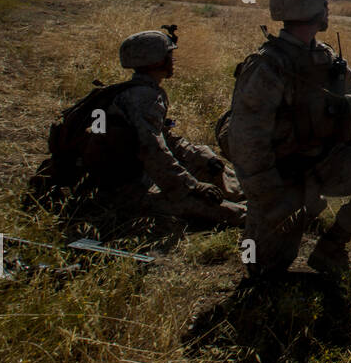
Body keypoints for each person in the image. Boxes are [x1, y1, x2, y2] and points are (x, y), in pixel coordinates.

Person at [226, 0, 351, 280]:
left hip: (326, 160)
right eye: (324, 3)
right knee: (263, 271)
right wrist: (266, 195)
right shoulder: (267, 65)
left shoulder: (326, 56)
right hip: (282, 173)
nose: (327, 10)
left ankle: (331, 248)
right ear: (310, 9)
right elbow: (246, 137)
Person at [86, 29, 246, 227]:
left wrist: (201, 158)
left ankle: (248, 195)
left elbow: (165, 139)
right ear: (155, 61)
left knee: (205, 156)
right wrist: (193, 186)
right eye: (169, 55)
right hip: (129, 191)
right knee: (238, 215)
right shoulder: (144, 99)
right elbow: (154, 152)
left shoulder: (138, 92)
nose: (173, 61)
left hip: (144, 177)